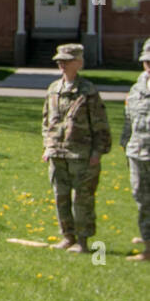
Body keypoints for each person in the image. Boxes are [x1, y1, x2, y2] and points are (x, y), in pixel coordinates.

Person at [41, 43, 111, 254]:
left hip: (82, 155)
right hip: (57, 153)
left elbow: (100, 124)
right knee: (60, 197)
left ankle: (83, 241)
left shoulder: (88, 91)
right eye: (59, 61)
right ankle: (67, 236)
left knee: (82, 199)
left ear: (79, 63)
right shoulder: (53, 89)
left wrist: (98, 152)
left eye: (66, 60)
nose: (61, 64)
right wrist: (47, 146)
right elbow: (46, 120)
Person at [120, 39, 150, 262]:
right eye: (146, 61)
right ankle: (148, 246)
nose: (149, 65)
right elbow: (128, 121)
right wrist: (125, 145)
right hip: (138, 153)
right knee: (142, 199)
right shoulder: (137, 88)